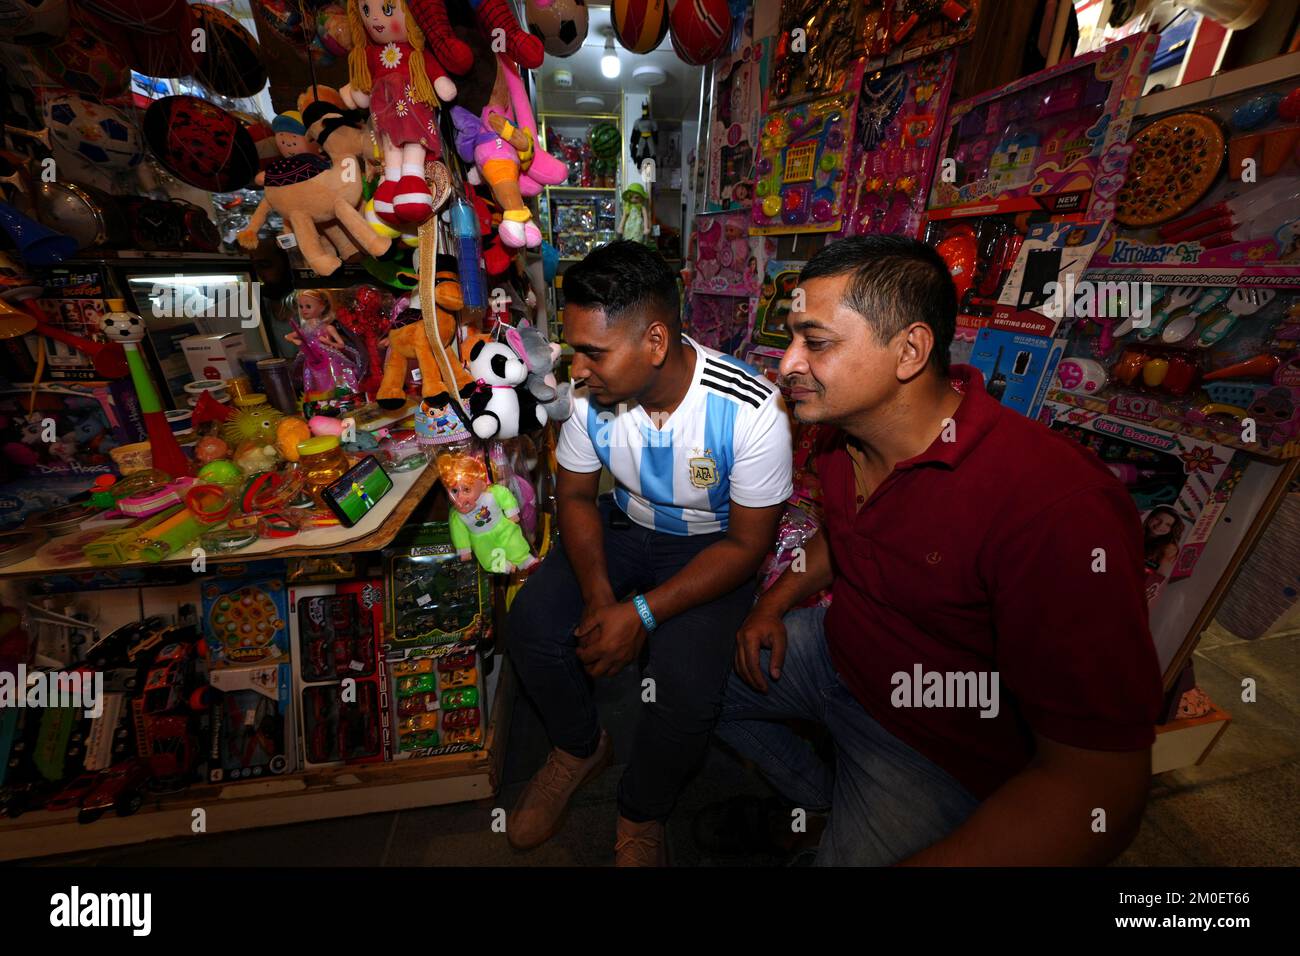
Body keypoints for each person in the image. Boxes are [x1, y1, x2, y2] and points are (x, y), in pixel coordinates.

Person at [715, 235, 1163, 866]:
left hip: (934, 744)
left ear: (911, 350)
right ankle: (823, 803)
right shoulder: (841, 438)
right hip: (837, 655)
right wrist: (773, 605)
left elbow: (1099, 785)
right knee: (687, 679)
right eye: (791, 337)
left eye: (815, 342)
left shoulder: (1057, 508)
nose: (785, 364)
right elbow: (843, 537)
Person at [507, 240, 793, 865]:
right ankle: (580, 747)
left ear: (655, 342)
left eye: (593, 352)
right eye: (573, 348)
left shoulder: (751, 412)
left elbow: (748, 544)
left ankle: (642, 811)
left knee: (686, 693)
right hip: (625, 524)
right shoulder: (587, 399)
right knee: (531, 627)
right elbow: (577, 498)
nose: (574, 370)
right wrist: (601, 597)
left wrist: (640, 614)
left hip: (711, 549)